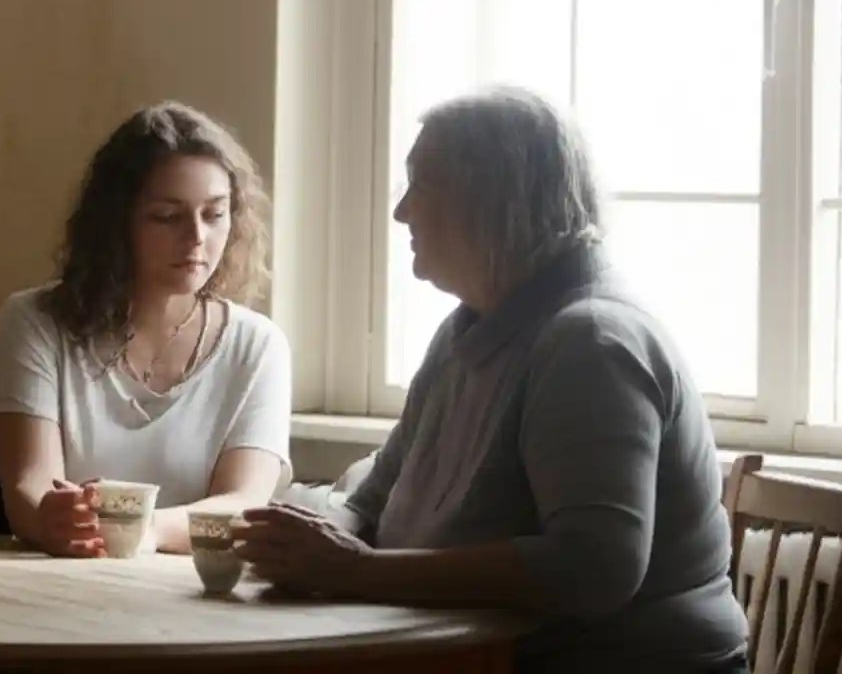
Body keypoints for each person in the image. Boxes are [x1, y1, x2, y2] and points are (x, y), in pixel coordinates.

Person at [233, 88, 749, 673]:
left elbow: (593, 569)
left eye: (421, 185)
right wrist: (312, 542)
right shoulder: (467, 331)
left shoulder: (591, 343)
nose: (402, 211)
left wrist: (353, 570)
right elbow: (375, 496)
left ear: (493, 200)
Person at [0, 101, 291, 559]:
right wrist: (51, 517)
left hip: (192, 600)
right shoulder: (34, 323)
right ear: (116, 223)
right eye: (168, 216)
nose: (196, 237)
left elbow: (244, 503)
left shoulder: (258, 346)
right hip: (60, 586)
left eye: (214, 214)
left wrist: (145, 529)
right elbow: (28, 485)